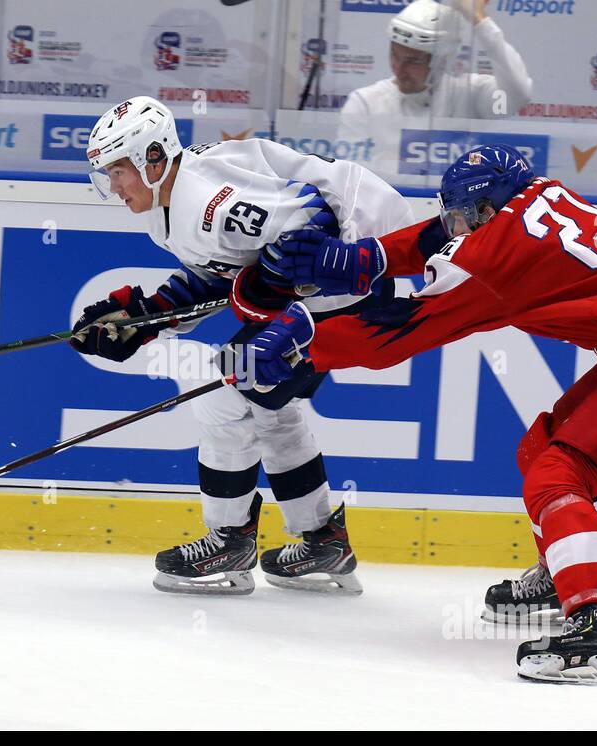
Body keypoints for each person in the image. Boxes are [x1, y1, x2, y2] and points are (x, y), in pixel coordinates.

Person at [253, 144, 597, 685]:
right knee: (540, 451)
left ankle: (593, 629)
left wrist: (305, 337)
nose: (454, 228)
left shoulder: (493, 259)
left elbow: (396, 335)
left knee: (560, 476)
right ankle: (561, 580)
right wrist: (355, 259)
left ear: (486, 212)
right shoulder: (541, 196)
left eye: (462, 217)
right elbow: (440, 240)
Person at [73, 96, 414, 596]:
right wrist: (144, 318)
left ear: (152, 159)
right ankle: (322, 541)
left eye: (118, 171)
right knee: (266, 404)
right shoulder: (172, 202)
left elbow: (311, 222)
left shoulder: (206, 201)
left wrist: (266, 288)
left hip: (359, 270)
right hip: (340, 278)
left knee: (222, 389)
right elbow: (224, 269)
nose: (113, 186)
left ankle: (230, 540)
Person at [338, 0, 532, 174]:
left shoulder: (470, 93)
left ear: (441, 61)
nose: (399, 69)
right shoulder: (364, 103)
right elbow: (349, 176)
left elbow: (518, 93)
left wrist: (480, 22)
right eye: (394, 55)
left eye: (412, 61)